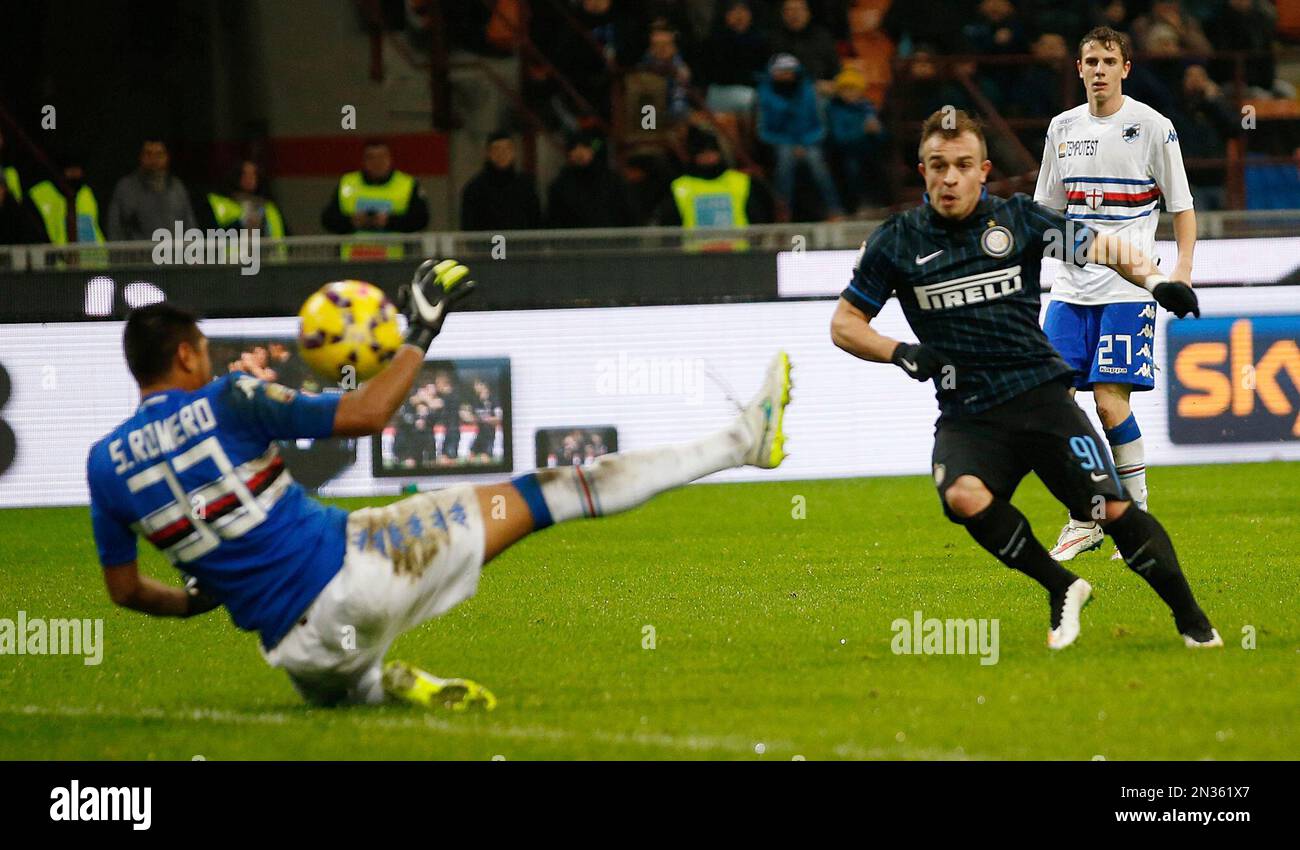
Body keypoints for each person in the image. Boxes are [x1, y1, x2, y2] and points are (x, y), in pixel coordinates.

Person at [86, 259, 794, 707]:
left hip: (296, 653)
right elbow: (364, 413)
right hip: (358, 571)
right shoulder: (229, 400)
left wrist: (191, 605)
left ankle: (380, 685)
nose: (208, 364)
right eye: (202, 353)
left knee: (338, 672)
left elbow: (124, 592)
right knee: (554, 489)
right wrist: (421, 333)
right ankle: (740, 441)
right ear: (184, 353)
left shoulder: (105, 464)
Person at [829, 108, 1221, 649]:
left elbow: (1101, 246)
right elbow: (845, 324)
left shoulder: (1016, 219)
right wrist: (900, 352)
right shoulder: (896, 242)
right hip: (970, 413)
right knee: (962, 496)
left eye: (962, 165)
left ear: (983, 170)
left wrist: (1157, 281)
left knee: (1110, 510)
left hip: (1041, 399)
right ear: (921, 171)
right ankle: (1061, 586)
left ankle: (1194, 622)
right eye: (937, 165)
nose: (950, 178)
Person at [1035, 27, 1197, 561]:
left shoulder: (1153, 128)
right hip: (1068, 289)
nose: (1098, 69)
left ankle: (1137, 511)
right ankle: (1086, 516)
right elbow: (1047, 216)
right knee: (1055, 406)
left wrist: (1182, 271)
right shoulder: (1061, 129)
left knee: (1108, 402)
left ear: (1126, 68)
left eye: (1108, 60)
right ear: (1078, 69)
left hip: (1128, 290)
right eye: (1089, 61)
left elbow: (1182, 208)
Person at [757, 53, 843, 220]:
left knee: (817, 164)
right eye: (780, 71)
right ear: (773, 73)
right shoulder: (764, 95)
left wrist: (804, 143)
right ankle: (783, 211)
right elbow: (763, 131)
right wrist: (790, 143)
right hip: (781, 142)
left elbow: (821, 126)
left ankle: (834, 209)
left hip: (809, 141)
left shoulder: (809, 91)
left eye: (789, 71)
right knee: (784, 163)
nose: (785, 75)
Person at [321, 140, 429, 235]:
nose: (377, 162)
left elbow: (420, 219)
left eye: (381, 157)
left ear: (390, 158)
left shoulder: (407, 183)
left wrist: (389, 221)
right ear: (364, 161)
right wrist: (352, 221)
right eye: (371, 157)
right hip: (353, 255)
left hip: (396, 256)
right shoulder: (347, 183)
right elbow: (328, 219)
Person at [106, 138, 198, 241]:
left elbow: (190, 226)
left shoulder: (177, 187)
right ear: (141, 157)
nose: (154, 160)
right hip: (138, 255)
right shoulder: (125, 188)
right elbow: (115, 229)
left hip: (173, 255)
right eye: (149, 154)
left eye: (159, 154)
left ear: (167, 157)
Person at [545, 131, 634, 228]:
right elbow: (554, 219)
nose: (579, 153)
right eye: (574, 149)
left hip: (611, 239)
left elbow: (628, 214)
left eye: (584, 148)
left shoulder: (614, 182)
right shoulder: (561, 185)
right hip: (574, 240)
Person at [459, 132, 542, 231]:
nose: (502, 154)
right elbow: (468, 227)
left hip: (521, 245)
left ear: (514, 152)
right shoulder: (475, 189)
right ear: (488, 153)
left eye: (507, 149)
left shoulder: (526, 186)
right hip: (488, 245)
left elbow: (536, 222)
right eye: (497, 149)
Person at [25, 152, 105, 245]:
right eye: (70, 171)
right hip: (58, 256)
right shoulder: (39, 193)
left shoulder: (87, 192)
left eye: (77, 170)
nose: (74, 174)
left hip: (95, 257)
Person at [208, 159, 286, 238]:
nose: (250, 179)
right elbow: (213, 234)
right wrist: (240, 223)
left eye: (254, 174)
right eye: (245, 174)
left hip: (263, 249)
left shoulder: (269, 207)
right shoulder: (221, 203)